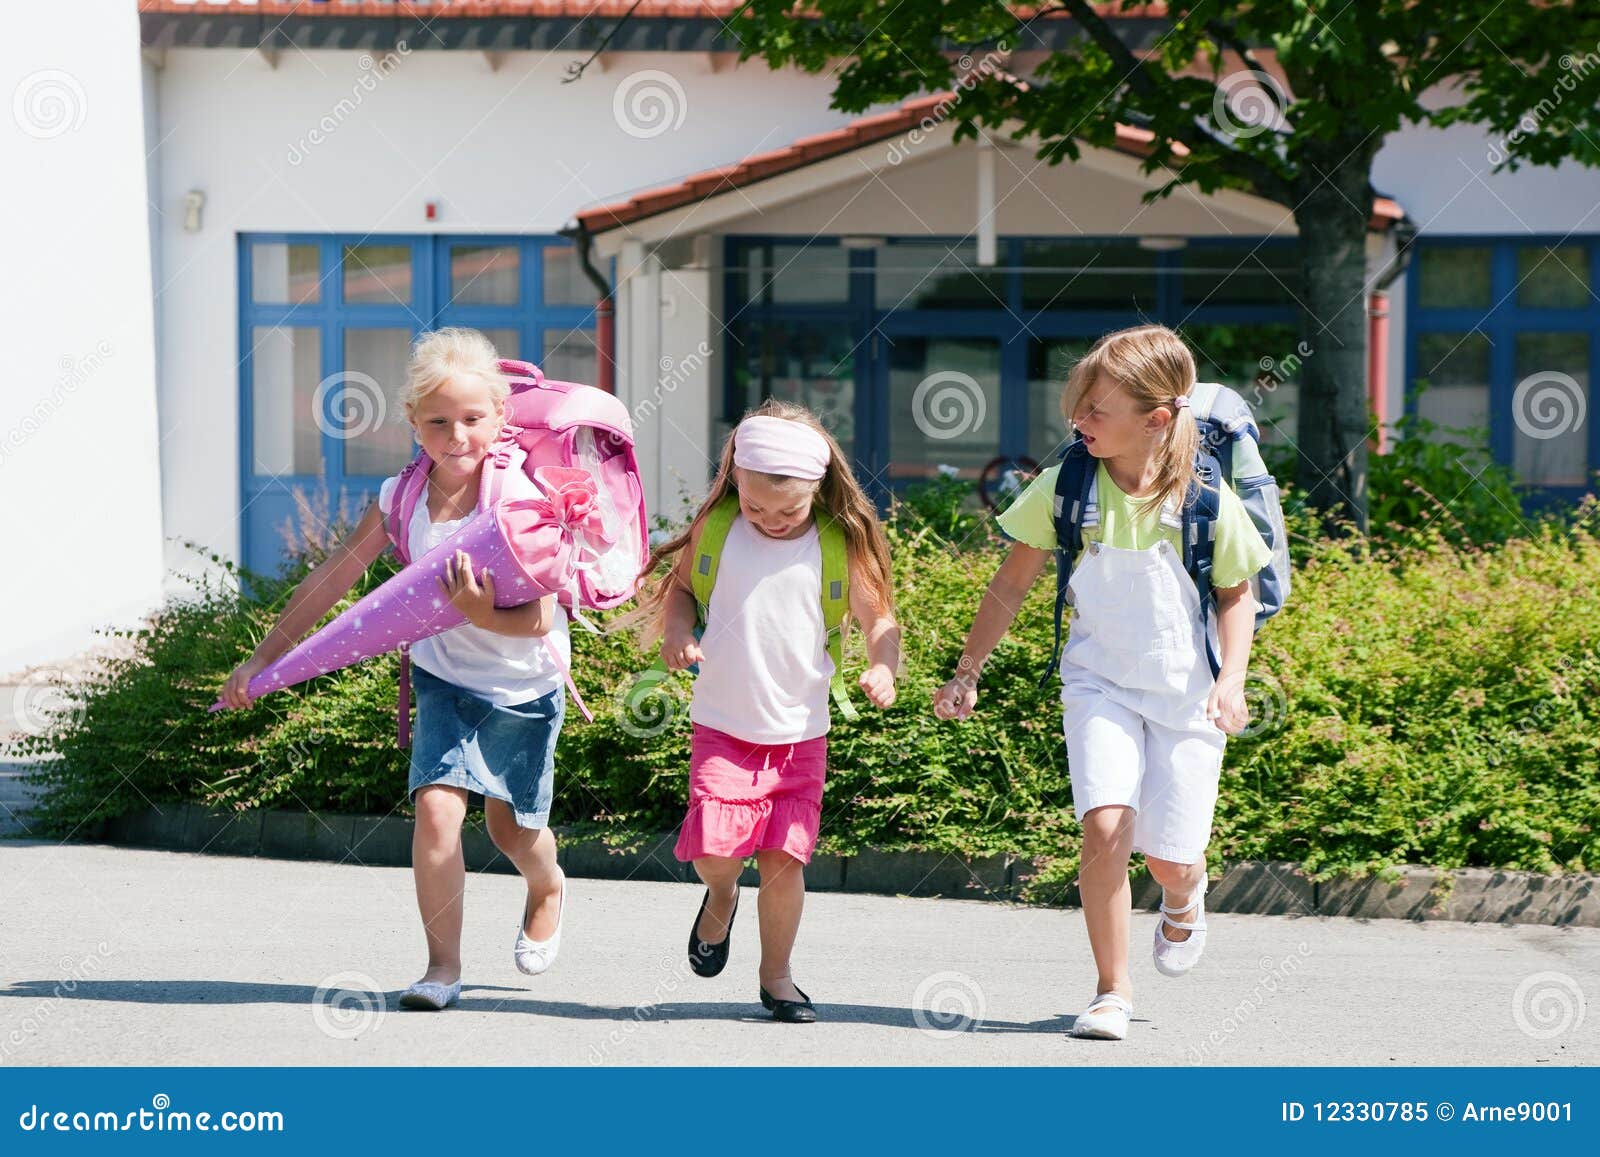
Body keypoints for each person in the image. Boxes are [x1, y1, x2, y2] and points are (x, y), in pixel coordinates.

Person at [933, 325, 1273, 1041]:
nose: (1076, 422)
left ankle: (1186, 896)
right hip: (1099, 685)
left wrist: (1234, 678)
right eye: (1078, 406)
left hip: (1187, 696)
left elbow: (1235, 594)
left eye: (1095, 411)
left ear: (1155, 420)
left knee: (1169, 859)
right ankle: (1110, 989)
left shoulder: (1204, 502)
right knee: (1104, 825)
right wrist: (968, 669)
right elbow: (1010, 584)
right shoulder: (1069, 485)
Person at [222, 328, 571, 1011]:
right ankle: (441, 968)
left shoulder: (523, 496)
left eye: (473, 419)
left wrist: (478, 610)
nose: (457, 434)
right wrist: (265, 656)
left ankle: (547, 885)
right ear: (413, 422)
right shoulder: (399, 499)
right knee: (438, 810)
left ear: (501, 417)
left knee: (512, 831)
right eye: (438, 421)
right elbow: (332, 580)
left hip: (524, 682)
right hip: (445, 680)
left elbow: (537, 619)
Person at [633, 401, 900, 1023]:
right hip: (724, 725)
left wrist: (883, 665)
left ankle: (777, 978)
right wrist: (676, 632)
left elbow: (879, 618)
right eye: (756, 506)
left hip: (801, 733)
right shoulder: (719, 528)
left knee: (785, 861)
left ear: (817, 489)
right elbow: (680, 591)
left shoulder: (838, 541)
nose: (771, 521)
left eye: (789, 510)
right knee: (717, 854)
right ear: (735, 481)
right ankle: (720, 895)